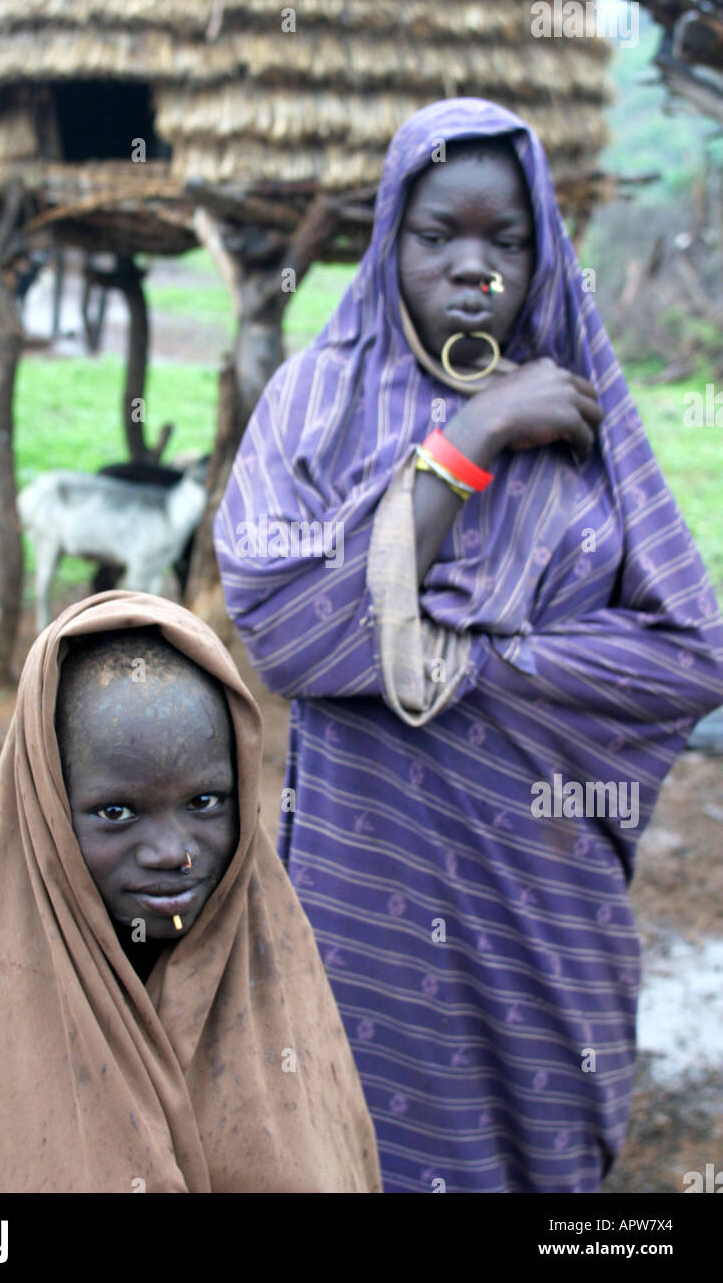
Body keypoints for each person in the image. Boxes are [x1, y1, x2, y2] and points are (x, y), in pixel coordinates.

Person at [215, 97, 723, 1193]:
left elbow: (686, 650)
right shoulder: (317, 402)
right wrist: (468, 439)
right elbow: (283, 626)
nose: (471, 265)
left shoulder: (585, 418)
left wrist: (470, 667)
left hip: (543, 907)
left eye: (505, 239)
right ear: (389, 237)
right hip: (366, 903)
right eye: (438, 233)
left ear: (544, 251)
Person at [0, 592, 381, 1193]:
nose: (172, 852)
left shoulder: (278, 969)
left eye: (205, 802)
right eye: (116, 812)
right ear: (48, 809)